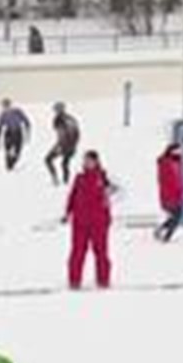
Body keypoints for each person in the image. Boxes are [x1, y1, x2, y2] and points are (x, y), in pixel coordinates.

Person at [64, 150, 115, 290]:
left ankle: (103, 280)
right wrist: (68, 212)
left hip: (99, 222)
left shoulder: (104, 177)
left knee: (101, 252)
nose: (87, 163)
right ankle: (74, 280)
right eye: (85, 161)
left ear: (96, 162)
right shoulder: (79, 178)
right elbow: (72, 196)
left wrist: (108, 207)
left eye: (90, 161)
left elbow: (117, 193)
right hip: (80, 221)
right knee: (77, 252)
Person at [154, 143, 183, 242]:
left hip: (177, 194)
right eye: (176, 150)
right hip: (170, 194)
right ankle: (166, 235)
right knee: (176, 216)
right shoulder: (166, 163)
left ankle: (163, 231)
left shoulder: (177, 162)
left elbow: (178, 178)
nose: (179, 152)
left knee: (177, 216)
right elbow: (167, 180)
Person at [45, 102, 80, 186]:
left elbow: (64, 134)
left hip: (64, 145)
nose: (56, 111)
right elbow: (77, 133)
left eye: (57, 109)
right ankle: (65, 180)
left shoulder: (60, 120)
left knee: (48, 160)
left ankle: (58, 179)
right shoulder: (70, 118)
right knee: (64, 163)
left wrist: (61, 146)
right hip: (68, 145)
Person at [0, 99, 31, 171]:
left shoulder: (17, 111)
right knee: (8, 150)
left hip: (18, 132)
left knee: (18, 150)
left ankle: (13, 162)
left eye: (7, 105)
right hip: (9, 132)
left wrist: (28, 131)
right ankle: (8, 166)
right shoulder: (3, 115)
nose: (6, 108)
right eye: (4, 106)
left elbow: (26, 121)